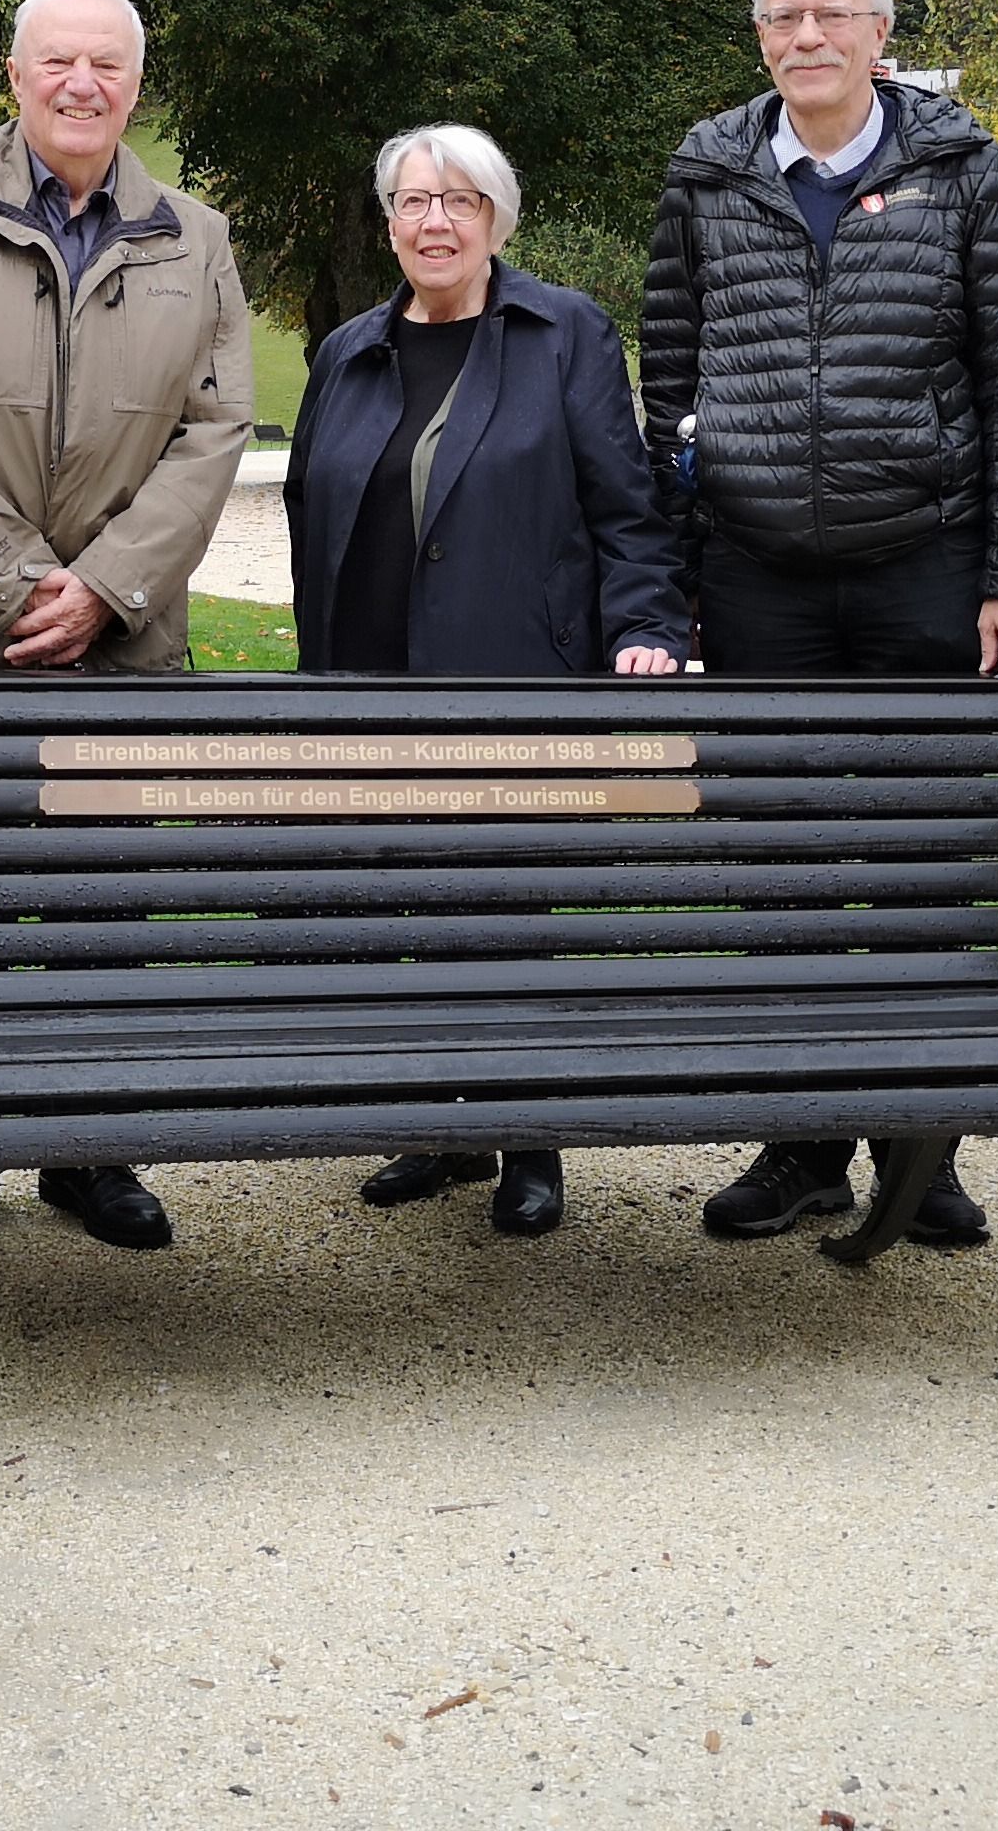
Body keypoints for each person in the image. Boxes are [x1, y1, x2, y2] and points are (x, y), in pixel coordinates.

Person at [640, 0, 998, 1247]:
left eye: (832, 15)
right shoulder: (706, 173)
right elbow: (670, 385)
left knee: (925, 866)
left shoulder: (967, 173)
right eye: (782, 18)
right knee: (784, 869)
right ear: (759, 34)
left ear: (884, 32)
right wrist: (684, 568)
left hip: (922, 566)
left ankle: (923, 1151)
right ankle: (807, 1141)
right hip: (759, 578)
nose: (805, 37)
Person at [0, 0, 256, 1266]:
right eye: (56, 62)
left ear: (137, 85)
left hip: (125, 643)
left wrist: (109, 587)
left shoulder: (198, 235)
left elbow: (216, 429)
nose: (82, 85)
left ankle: (94, 1147)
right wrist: (23, 581)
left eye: (108, 66)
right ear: (14, 77)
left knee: (105, 908)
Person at [285, 123, 689, 1238]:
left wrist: (647, 624)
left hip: (514, 667)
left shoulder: (563, 334)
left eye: (461, 201)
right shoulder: (348, 352)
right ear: (389, 221)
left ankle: (530, 1136)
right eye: (415, 202)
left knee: (510, 906)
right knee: (413, 899)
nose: (436, 222)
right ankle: (442, 1124)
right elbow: (308, 512)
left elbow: (626, 504)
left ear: (498, 219)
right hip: (370, 674)